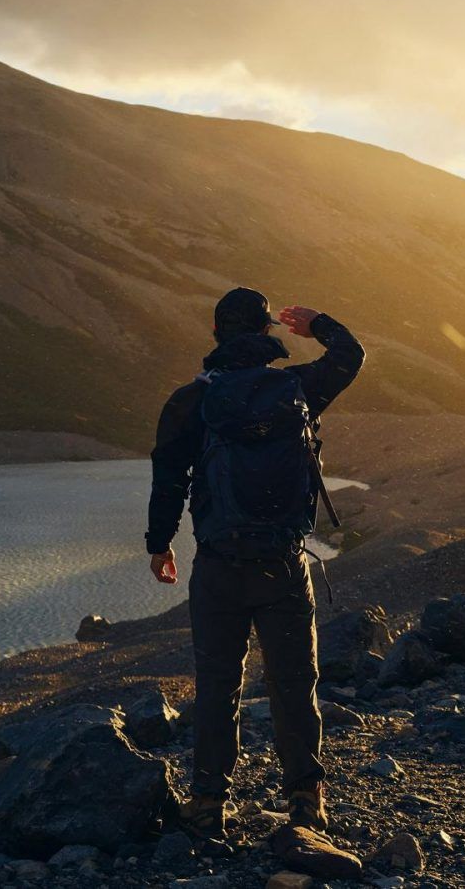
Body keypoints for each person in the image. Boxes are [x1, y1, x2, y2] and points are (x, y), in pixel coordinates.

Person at [145, 286, 364, 874]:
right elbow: (352, 355)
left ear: (217, 335)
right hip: (284, 563)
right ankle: (305, 801)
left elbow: (168, 479)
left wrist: (158, 543)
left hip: (219, 564)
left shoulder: (192, 401)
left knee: (218, 682)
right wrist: (319, 322)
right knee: (294, 680)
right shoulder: (298, 391)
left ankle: (208, 802)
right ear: (267, 335)